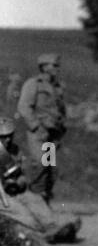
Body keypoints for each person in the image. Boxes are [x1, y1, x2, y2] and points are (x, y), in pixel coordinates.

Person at [0, 116, 80, 243]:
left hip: (13, 191)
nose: (8, 139)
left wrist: (19, 182)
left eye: (10, 135)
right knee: (23, 214)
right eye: (3, 137)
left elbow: (21, 174)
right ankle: (37, 237)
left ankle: (53, 228)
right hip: (3, 197)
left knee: (34, 199)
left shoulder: (15, 151)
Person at [16, 53, 67, 202]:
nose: (57, 69)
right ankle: (34, 201)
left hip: (52, 134)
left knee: (49, 168)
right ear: (44, 67)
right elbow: (24, 106)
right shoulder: (33, 84)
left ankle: (44, 201)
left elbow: (61, 110)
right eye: (54, 65)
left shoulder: (57, 87)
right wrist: (36, 126)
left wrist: (62, 127)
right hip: (39, 133)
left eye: (58, 66)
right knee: (40, 165)